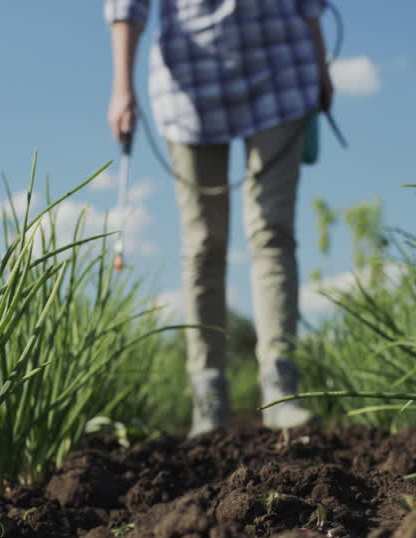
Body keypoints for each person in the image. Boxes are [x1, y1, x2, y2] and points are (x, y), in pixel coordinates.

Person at [105, 0, 333, 437]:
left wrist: (320, 62)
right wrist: (122, 86)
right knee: (203, 244)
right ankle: (208, 398)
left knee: (272, 231)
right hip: (189, 82)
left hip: (280, 67)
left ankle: (280, 388)